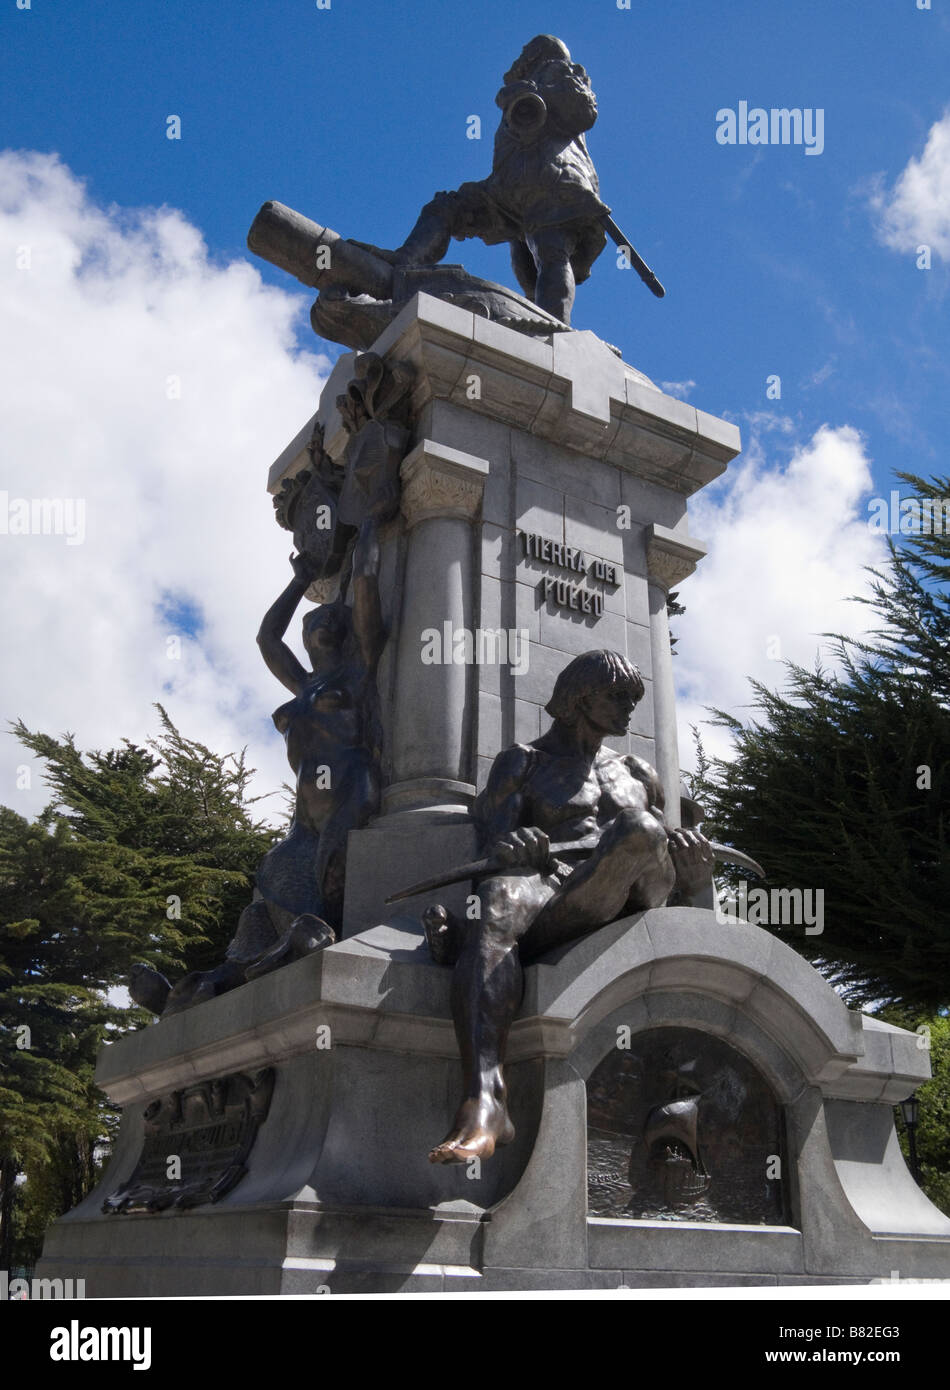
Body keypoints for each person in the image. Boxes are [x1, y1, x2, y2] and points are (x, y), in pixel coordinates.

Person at [422, 649, 713, 1163]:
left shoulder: (638, 772)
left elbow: (668, 858)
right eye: (618, 696)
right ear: (580, 697)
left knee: (641, 828)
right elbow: (491, 852)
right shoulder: (524, 762)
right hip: (559, 889)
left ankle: (460, 944)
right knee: (497, 898)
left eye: (634, 698)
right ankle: (487, 1100)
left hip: (638, 894)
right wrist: (515, 846)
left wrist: (694, 878)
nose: (629, 708)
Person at [394, 35, 609, 325]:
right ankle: (405, 263)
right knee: (449, 208)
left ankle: (554, 327)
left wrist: (540, 91)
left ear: (536, 53)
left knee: (549, 252)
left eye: (526, 51)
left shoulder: (561, 72)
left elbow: (584, 111)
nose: (520, 56)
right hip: (508, 187)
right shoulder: (522, 86)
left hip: (553, 183)